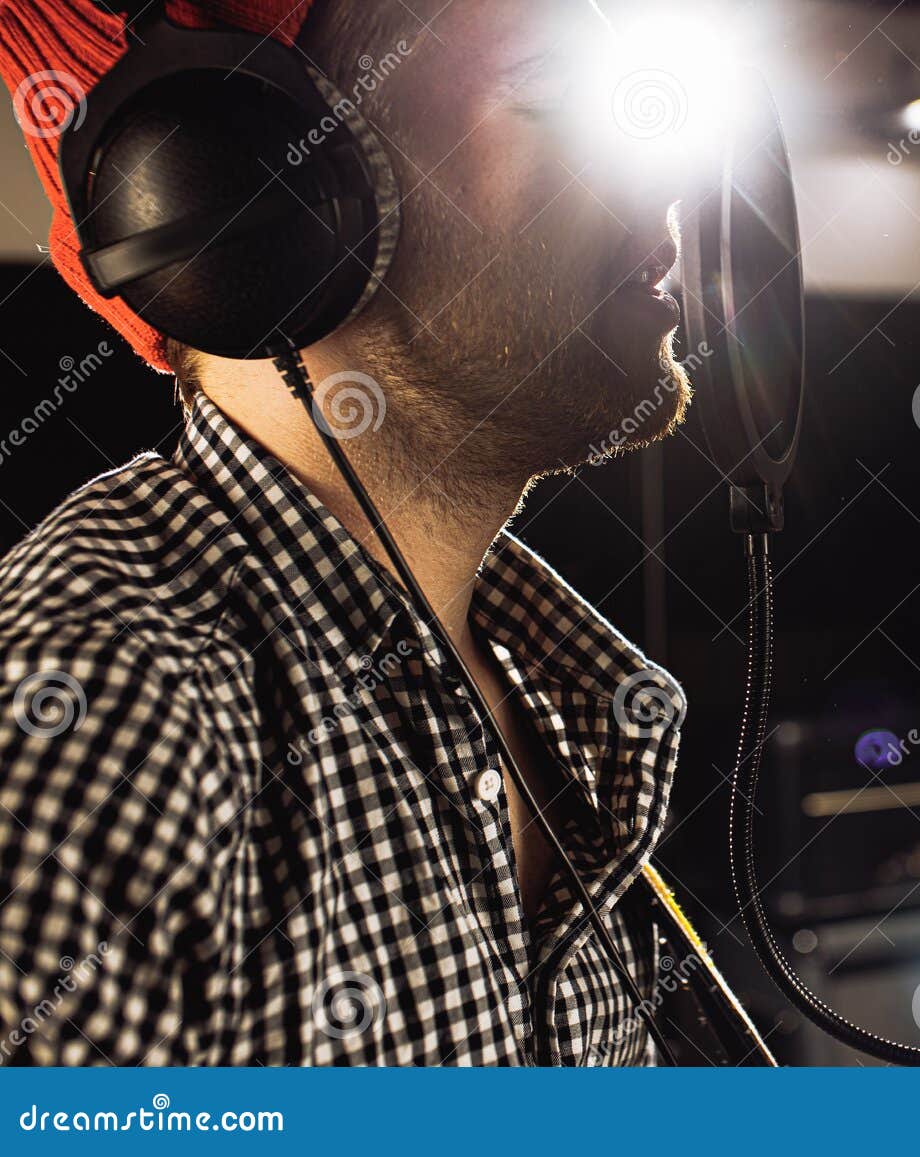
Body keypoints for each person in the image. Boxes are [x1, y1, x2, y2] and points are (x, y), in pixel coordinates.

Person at [0, 0, 698, 1065]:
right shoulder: (98, 715)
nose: (668, 180)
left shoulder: (551, 703)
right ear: (240, 187)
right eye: (553, 90)